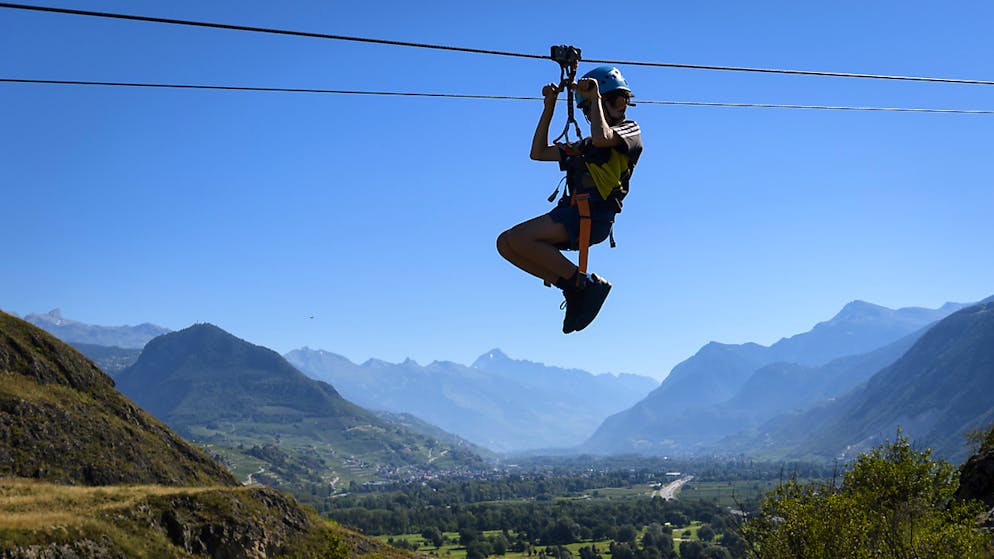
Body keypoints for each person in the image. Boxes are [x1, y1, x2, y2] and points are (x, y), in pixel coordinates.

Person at [497, 66, 643, 334]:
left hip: (594, 217)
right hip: (575, 215)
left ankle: (584, 285)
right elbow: (538, 153)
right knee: (506, 245)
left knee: (519, 239)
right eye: (616, 100)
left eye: (624, 100)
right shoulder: (585, 146)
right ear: (590, 110)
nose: (623, 108)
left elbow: (603, 139)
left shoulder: (630, 131)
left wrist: (596, 98)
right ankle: (575, 288)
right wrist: (549, 107)